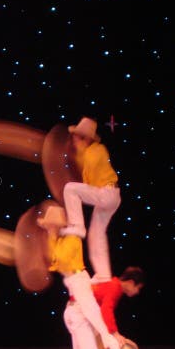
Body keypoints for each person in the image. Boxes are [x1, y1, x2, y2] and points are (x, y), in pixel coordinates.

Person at [37, 205, 121, 349]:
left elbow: (62, 260)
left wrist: (51, 238)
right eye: (49, 225)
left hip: (78, 278)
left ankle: (110, 341)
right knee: (88, 317)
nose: (50, 228)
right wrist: (51, 238)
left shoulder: (72, 238)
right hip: (72, 281)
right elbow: (54, 263)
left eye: (51, 225)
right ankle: (109, 341)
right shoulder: (57, 240)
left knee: (93, 312)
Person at [60, 117, 121, 283]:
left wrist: (81, 151)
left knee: (70, 188)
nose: (73, 141)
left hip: (107, 193)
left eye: (76, 138)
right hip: (108, 196)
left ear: (85, 138)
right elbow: (89, 180)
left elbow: (93, 168)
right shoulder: (89, 153)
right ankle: (104, 276)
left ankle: (77, 226)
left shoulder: (97, 149)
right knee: (96, 234)